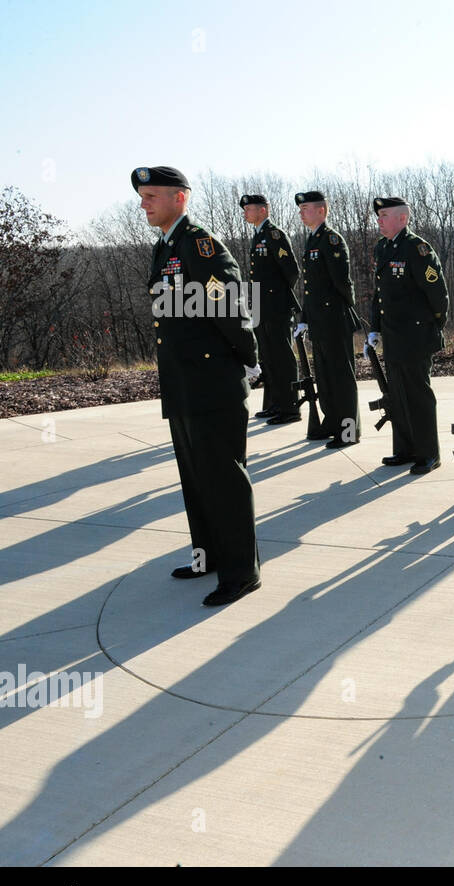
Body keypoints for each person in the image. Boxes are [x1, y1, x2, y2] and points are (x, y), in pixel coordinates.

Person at [133, 165, 261, 606]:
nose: (144, 203)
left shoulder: (200, 244)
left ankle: (241, 572)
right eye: (143, 196)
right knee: (196, 479)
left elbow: (230, 304)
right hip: (183, 381)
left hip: (212, 381)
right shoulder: (166, 246)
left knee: (223, 479)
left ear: (179, 198)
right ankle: (207, 555)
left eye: (152, 195)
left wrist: (249, 359)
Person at [368, 197, 446, 475]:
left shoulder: (417, 248)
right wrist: (375, 327)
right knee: (397, 394)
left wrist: (433, 325)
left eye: (385, 214)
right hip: (393, 334)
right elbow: (380, 295)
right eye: (378, 215)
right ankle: (405, 449)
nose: (379, 219)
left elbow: (437, 293)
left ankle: (428, 453)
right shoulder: (383, 248)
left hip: (415, 335)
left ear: (402, 219)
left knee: (418, 395)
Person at [295, 189, 360, 448]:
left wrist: (341, 310)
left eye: (306, 208)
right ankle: (332, 422)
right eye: (300, 209)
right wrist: (305, 318)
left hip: (334, 319)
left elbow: (342, 282)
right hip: (319, 321)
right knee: (325, 376)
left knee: (341, 378)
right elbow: (311, 288)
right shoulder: (312, 240)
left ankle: (348, 431)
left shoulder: (331, 240)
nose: (301, 213)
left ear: (321, 211)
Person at [240, 194, 301, 424]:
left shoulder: (274, 235)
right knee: (268, 356)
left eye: (249, 208)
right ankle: (276, 404)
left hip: (276, 307)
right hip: (261, 306)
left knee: (282, 357)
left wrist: (278, 296)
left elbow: (291, 271)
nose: (245, 212)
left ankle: (290, 408)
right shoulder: (258, 235)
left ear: (263, 210)